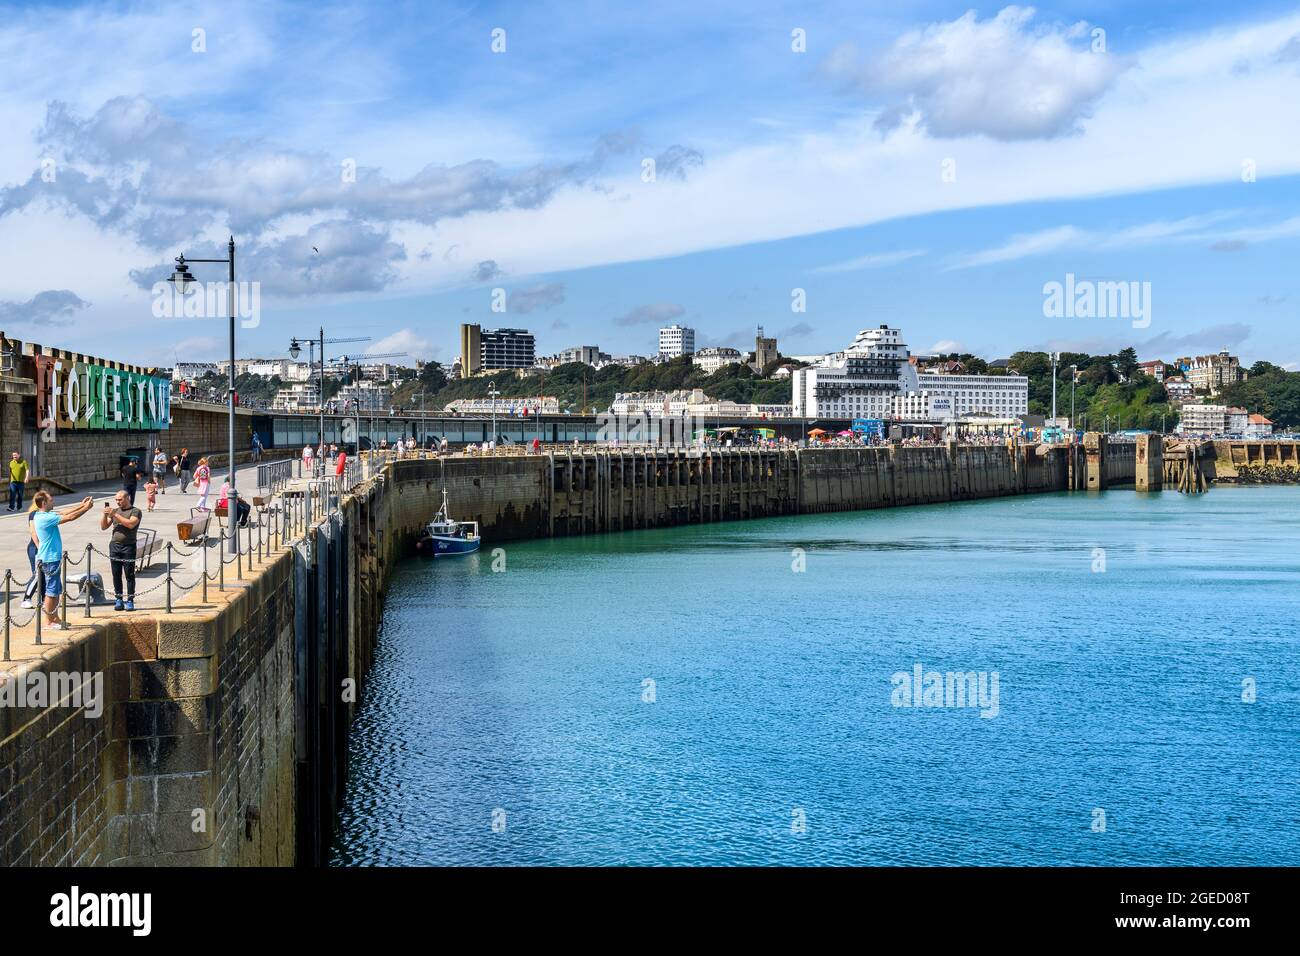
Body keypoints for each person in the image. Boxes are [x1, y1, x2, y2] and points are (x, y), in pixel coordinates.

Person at [31, 490, 95, 630]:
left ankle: (55, 618)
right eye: (50, 500)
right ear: (43, 503)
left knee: (56, 589)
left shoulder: (43, 514)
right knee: (51, 590)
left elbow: (65, 512)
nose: (53, 501)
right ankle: (49, 621)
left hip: (52, 558)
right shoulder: (45, 518)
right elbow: (70, 517)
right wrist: (86, 508)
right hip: (49, 559)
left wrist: (81, 505)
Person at [99, 490, 141, 611]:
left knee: (129, 574)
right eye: (116, 500)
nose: (118, 502)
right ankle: (118, 598)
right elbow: (103, 527)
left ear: (127, 498)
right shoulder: (115, 511)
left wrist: (115, 515)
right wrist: (105, 514)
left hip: (129, 546)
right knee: (116, 574)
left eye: (120, 499)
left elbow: (130, 524)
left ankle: (130, 600)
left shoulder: (135, 511)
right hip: (115, 546)